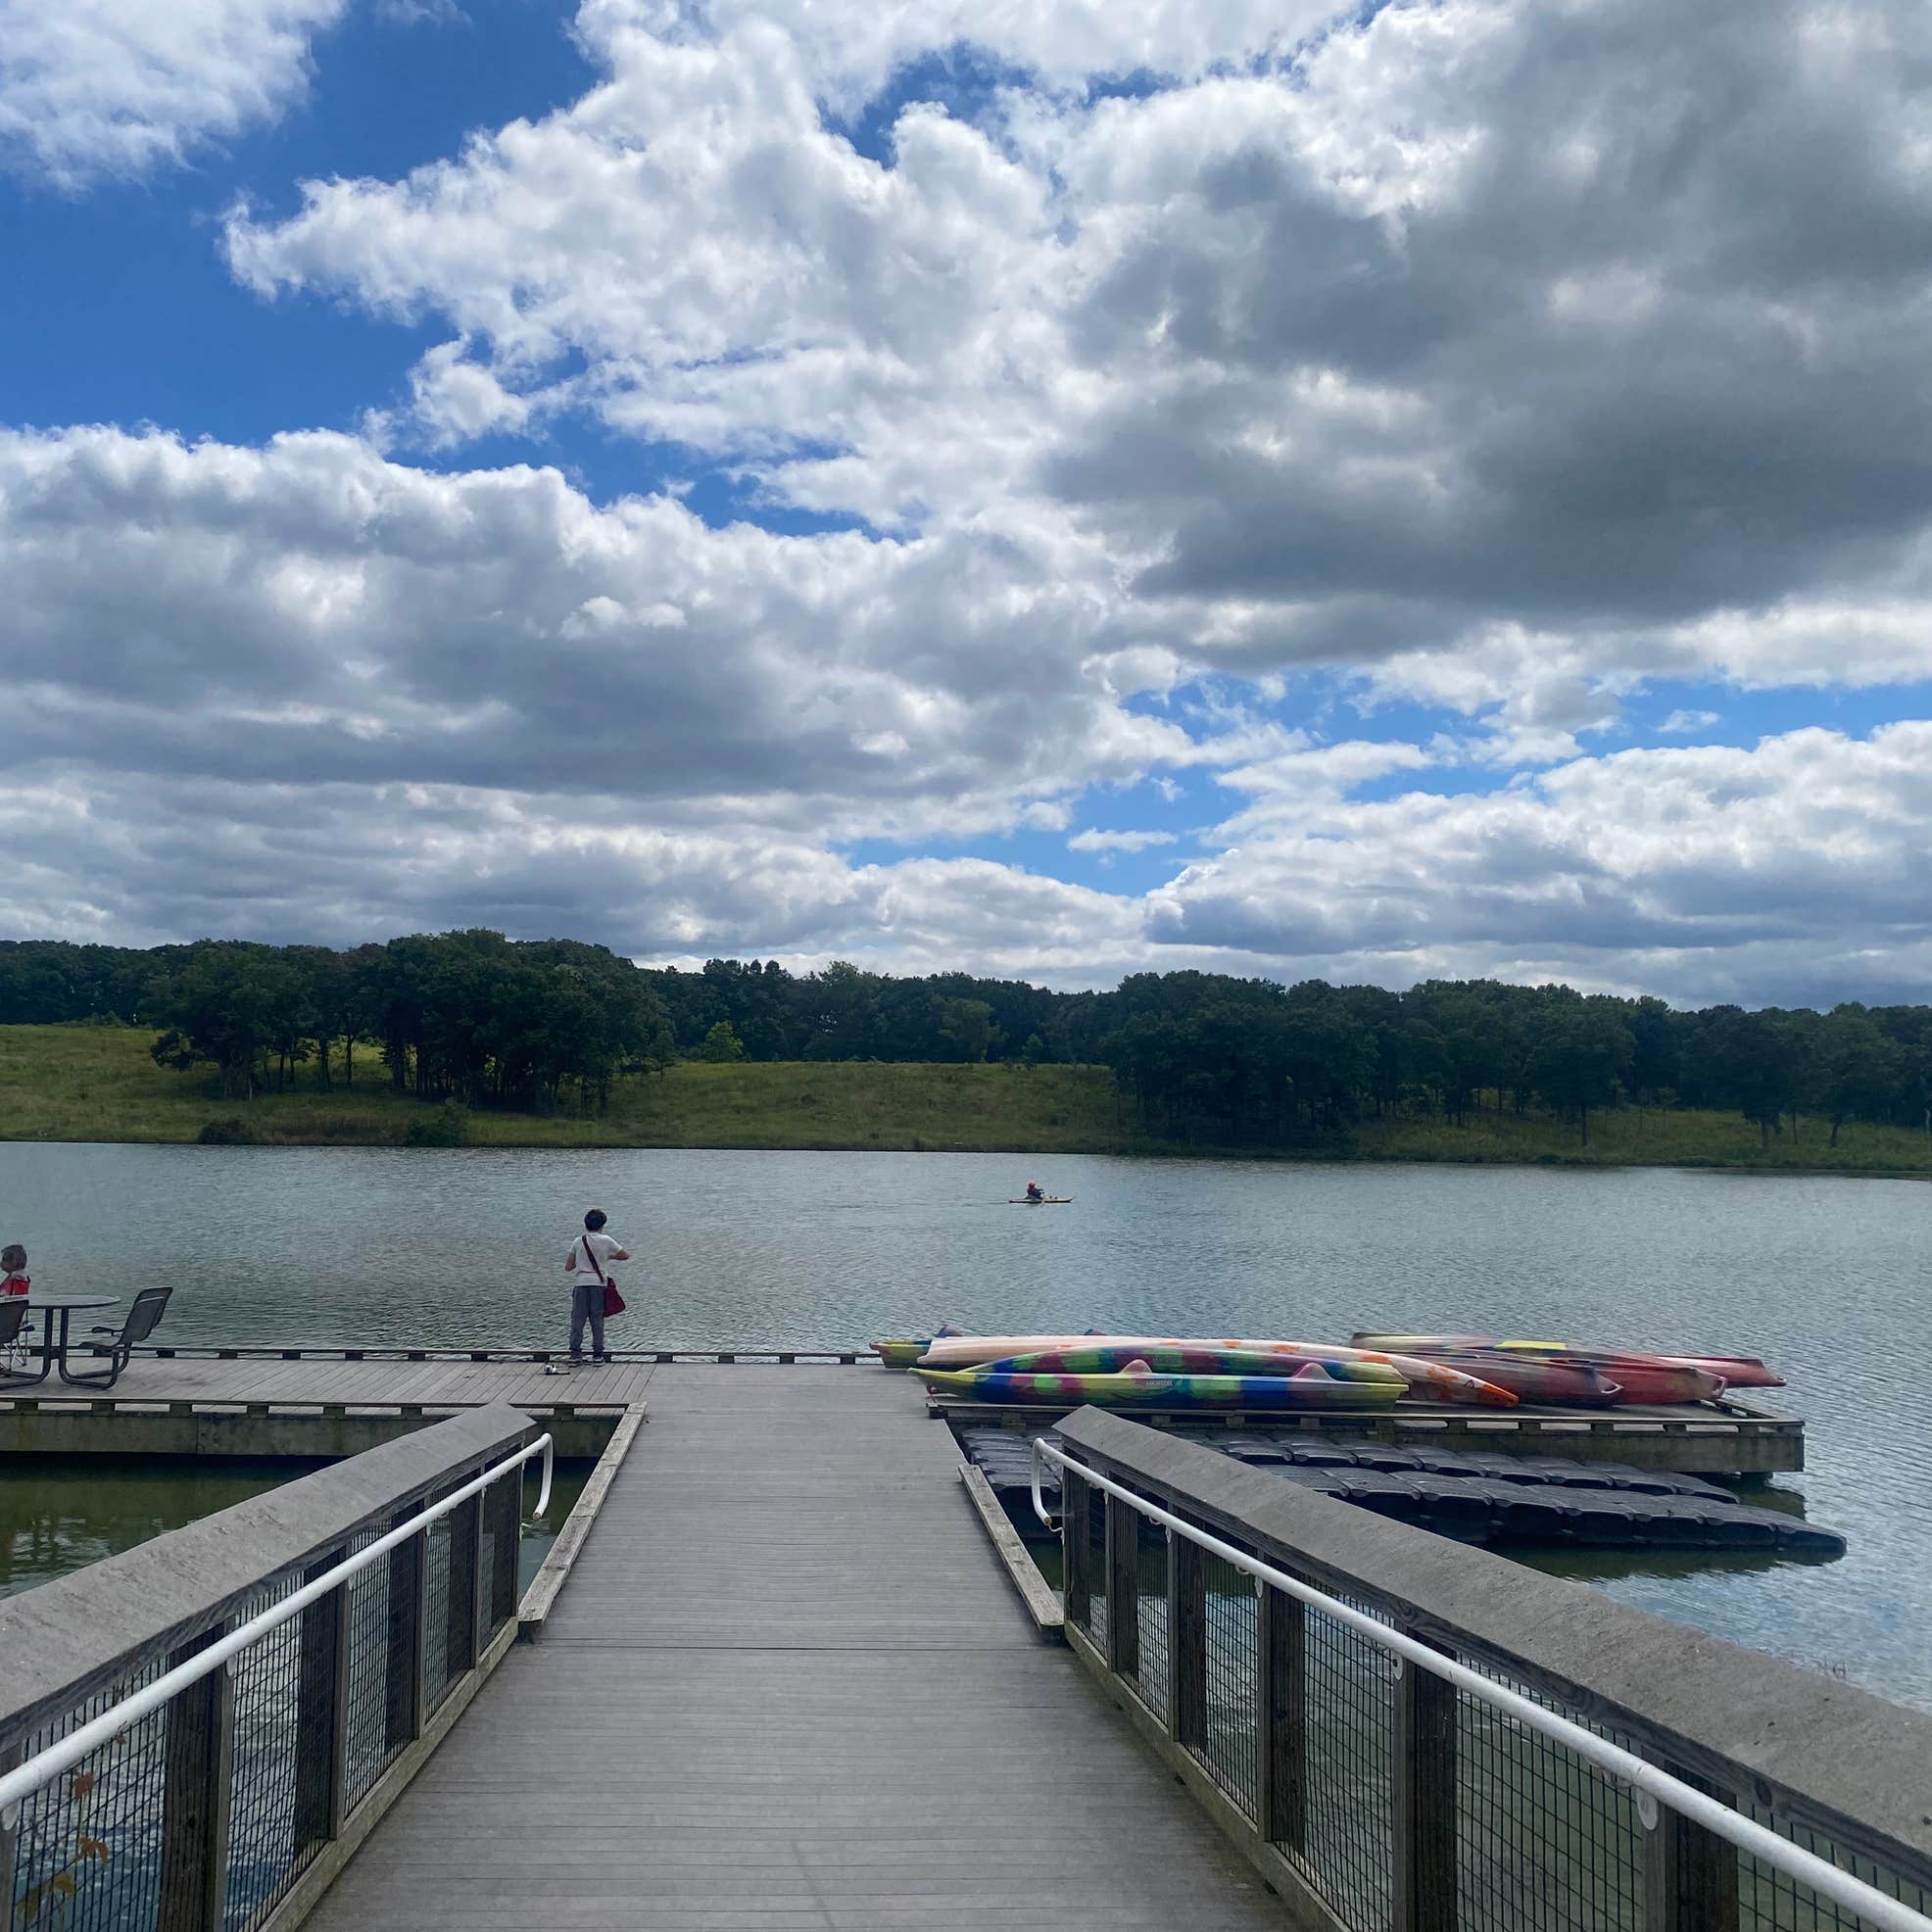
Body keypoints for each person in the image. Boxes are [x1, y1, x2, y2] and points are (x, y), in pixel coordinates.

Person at [549, 1210, 628, 1374]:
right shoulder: (606, 1240)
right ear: (603, 1225)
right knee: (597, 1320)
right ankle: (598, 1355)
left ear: (585, 1224)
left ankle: (574, 1354)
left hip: (581, 1284)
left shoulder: (579, 1241)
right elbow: (625, 1255)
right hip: (599, 1284)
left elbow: (568, 1267)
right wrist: (608, 1257)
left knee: (578, 1319)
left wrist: (581, 1261)